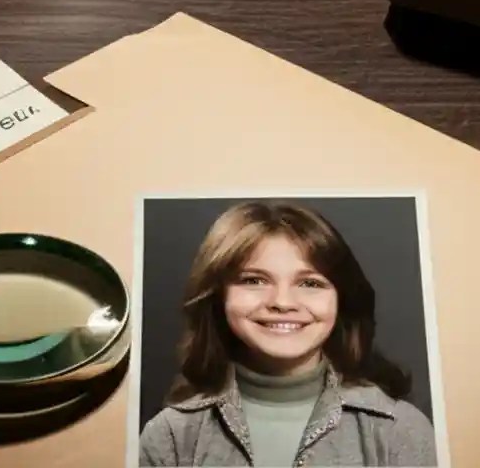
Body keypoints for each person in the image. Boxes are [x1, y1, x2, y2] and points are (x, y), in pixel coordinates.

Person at [139, 200, 438, 467]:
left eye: (310, 284)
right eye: (254, 280)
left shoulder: (398, 430)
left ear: (342, 299)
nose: (282, 302)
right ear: (217, 297)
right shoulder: (171, 435)